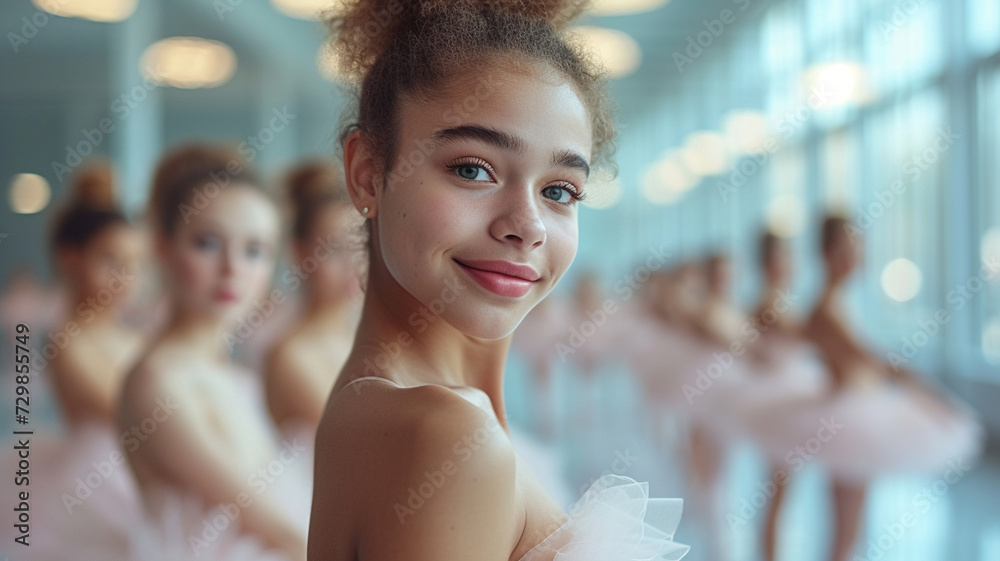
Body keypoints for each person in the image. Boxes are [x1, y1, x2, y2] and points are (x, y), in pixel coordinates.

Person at [309, 1, 689, 560]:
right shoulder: (445, 435)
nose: (527, 227)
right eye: (472, 169)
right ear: (366, 173)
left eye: (560, 191)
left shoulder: (399, 411)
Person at [118, 145, 307, 561]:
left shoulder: (233, 373)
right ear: (163, 247)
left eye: (255, 250)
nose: (233, 268)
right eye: (207, 243)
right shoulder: (158, 379)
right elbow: (260, 518)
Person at [794, 215, 983, 561]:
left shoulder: (835, 302)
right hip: (846, 418)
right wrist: (922, 388)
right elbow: (872, 360)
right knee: (846, 533)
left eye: (857, 249)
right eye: (846, 250)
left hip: (853, 411)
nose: (855, 258)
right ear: (826, 253)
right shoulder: (826, 307)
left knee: (850, 532)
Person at [0, 161, 147, 561]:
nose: (125, 278)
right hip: (97, 481)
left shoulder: (135, 337)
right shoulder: (69, 341)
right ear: (70, 258)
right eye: (110, 261)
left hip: (136, 468)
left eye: (135, 264)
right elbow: (125, 412)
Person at [265, 160, 364, 434]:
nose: (352, 265)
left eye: (361, 247)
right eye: (334, 249)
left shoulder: (365, 340)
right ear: (298, 251)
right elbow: (357, 439)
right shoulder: (291, 356)